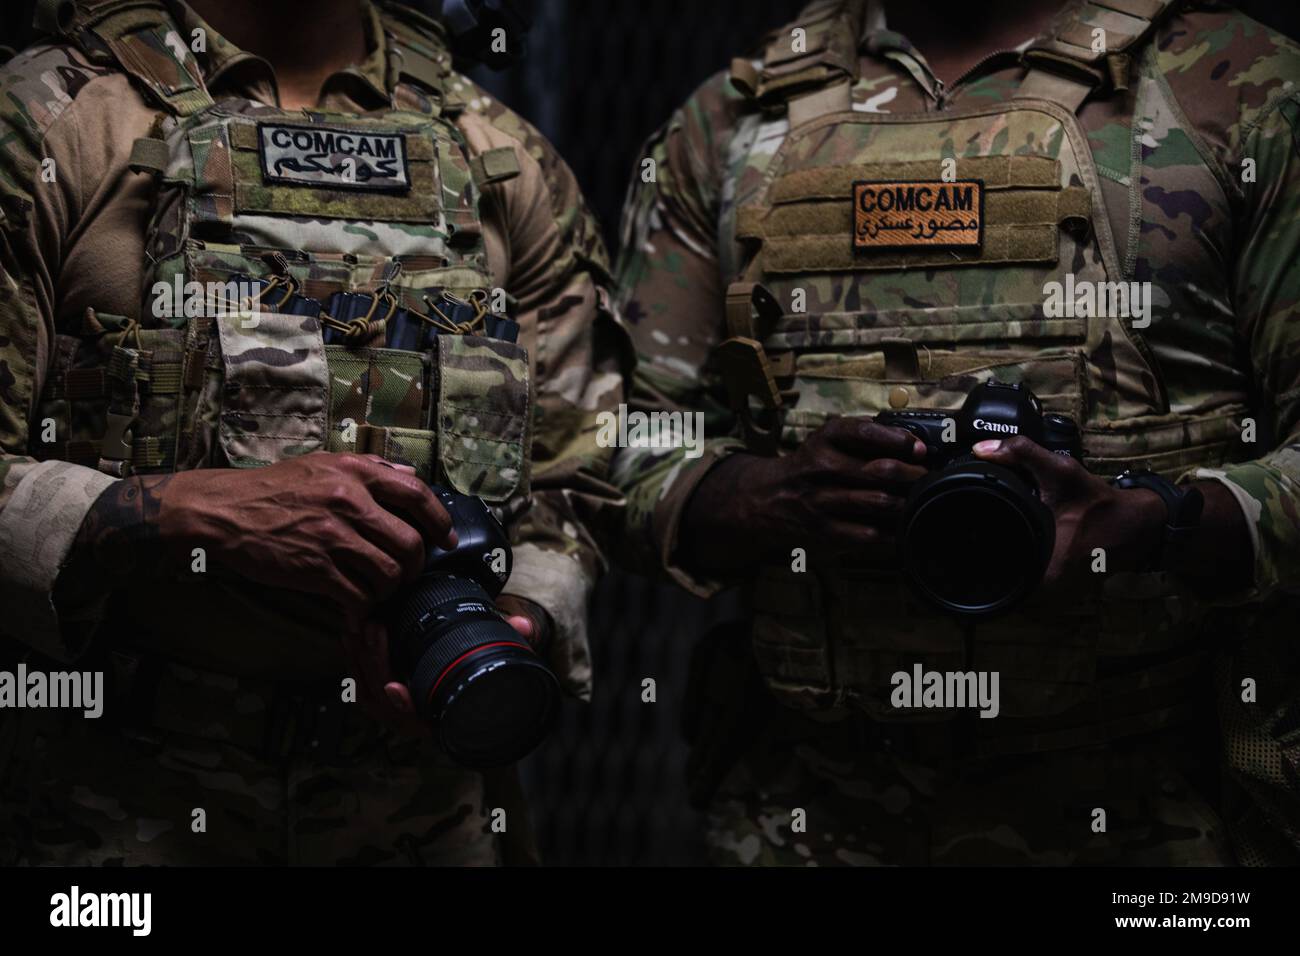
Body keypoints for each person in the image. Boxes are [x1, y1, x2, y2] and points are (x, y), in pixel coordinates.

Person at [613, 0, 1300, 864]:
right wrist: (770, 497)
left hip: (1159, 818)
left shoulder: (1240, 86)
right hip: (807, 817)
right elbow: (615, 450)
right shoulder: (731, 119)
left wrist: (1163, 523)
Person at [0, 0, 628, 865]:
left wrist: (510, 618)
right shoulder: (49, 121)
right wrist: (177, 512)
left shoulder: (499, 155)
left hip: (422, 810)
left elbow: (579, 482)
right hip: (112, 808)